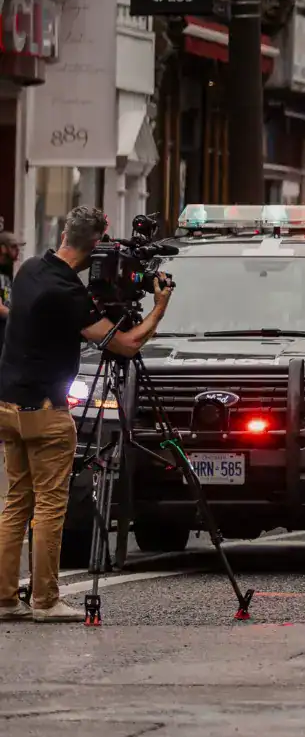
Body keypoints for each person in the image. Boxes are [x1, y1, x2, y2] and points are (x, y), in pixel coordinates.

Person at [0, 208, 173, 622]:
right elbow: (126, 344)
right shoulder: (69, 294)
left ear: (63, 233)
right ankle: (44, 600)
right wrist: (159, 307)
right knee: (50, 506)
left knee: (16, 501)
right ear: (95, 246)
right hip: (45, 411)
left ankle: (5, 598)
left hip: (7, 403)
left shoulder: (28, 270)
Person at [0, 230, 20, 351]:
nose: (17, 250)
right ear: (2, 248)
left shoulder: (7, 272)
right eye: (13, 246)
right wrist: (22, 318)